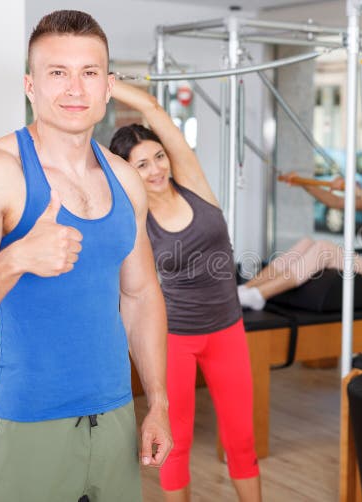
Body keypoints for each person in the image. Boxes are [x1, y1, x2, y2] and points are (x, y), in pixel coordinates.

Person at [0, 11, 172, 501]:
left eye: (89, 73)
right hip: (28, 423)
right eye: (57, 72)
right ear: (30, 85)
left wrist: (160, 402)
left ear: (108, 86)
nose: (74, 89)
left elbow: (141, 294)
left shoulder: (127, 179)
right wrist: (17, 257)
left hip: (115, 417)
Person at [109, 81, 261, 502]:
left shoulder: (193, 184)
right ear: (127, 173)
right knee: (174, 446)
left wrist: (109, 84)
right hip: (173, 339)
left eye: (159, 157)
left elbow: (156, 110)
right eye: (142, 165)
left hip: (227, 330)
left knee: (242, 443)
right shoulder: (135, 223)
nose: (156, 169)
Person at [238, 141, 362, 310]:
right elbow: (336, 202)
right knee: (306, 243)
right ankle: (246, 290)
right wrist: (304, 183)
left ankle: (259, 295)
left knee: (325, 249)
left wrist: (358, 191)